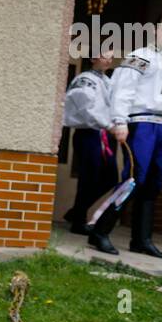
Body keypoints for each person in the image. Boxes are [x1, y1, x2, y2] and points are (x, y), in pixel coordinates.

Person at [108, 9, 162, 258]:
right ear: (154, 30)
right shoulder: (140, 56)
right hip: (141, 123)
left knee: (154, 182)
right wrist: (119, 121)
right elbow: (123, 89)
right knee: (134, 178)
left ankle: (141, 239)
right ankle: (100, 230)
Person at [62, 47, 122, 253]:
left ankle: (76, 211)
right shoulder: (85, 80)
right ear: (94, 57)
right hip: (89, 133)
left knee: (111, 177)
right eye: (106, 55)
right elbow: (87, 108)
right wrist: (108, 124)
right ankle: (78, 219)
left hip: (103, 134)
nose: (109, 60)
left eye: (111, 57)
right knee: (89, 177)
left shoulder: (107, 81)